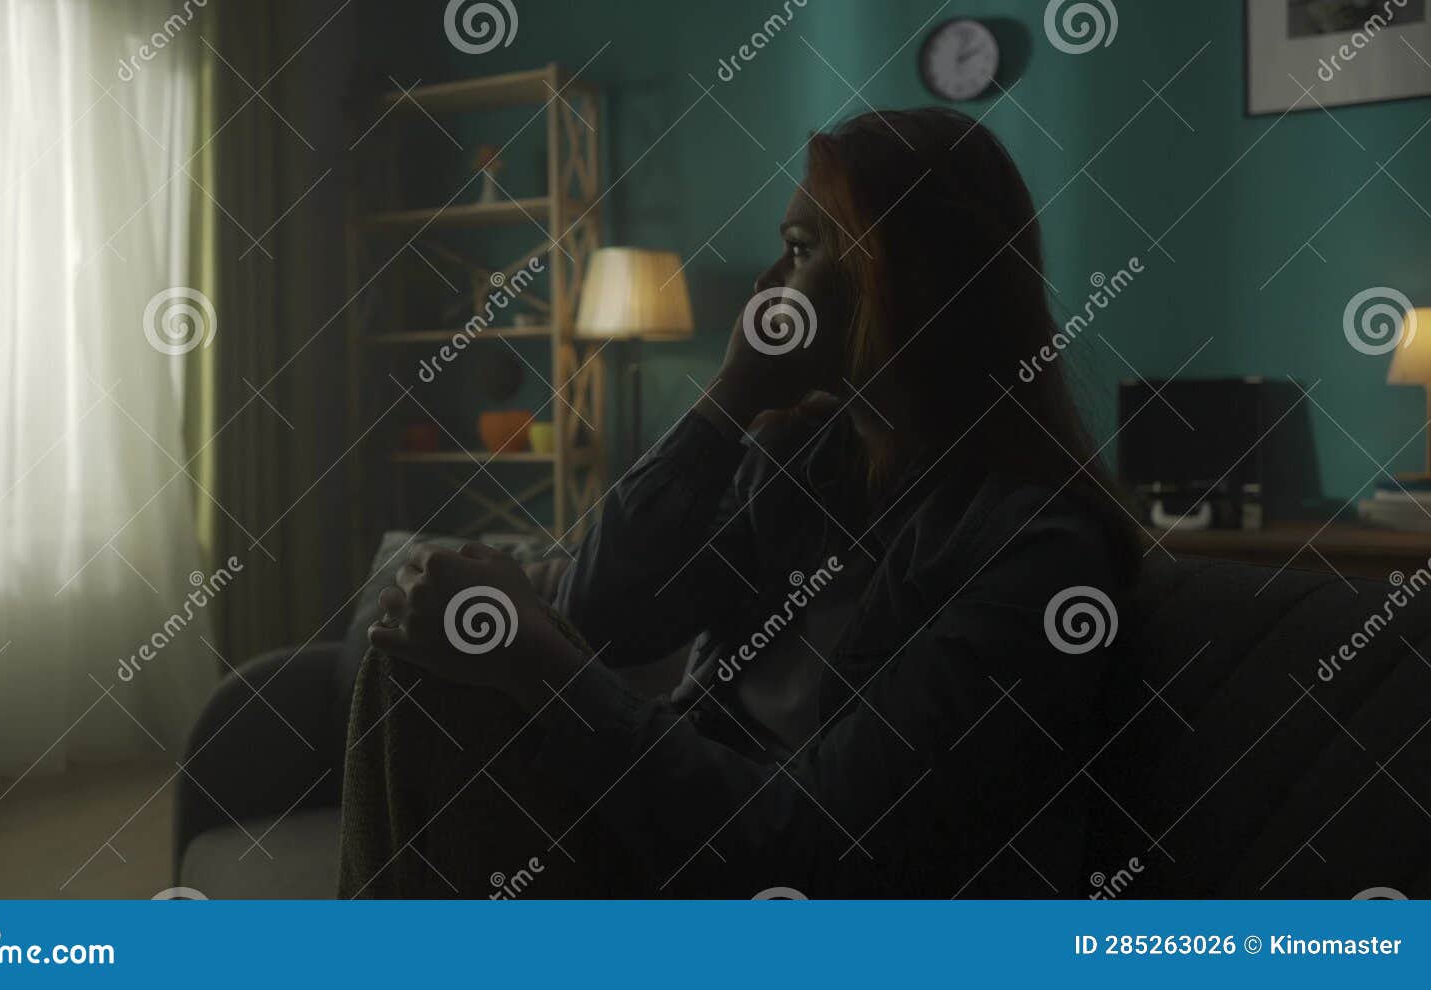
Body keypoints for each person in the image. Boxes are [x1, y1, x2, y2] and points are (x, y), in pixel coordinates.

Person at [340, 107, 1141, 899]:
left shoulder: (1035, 552)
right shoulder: (800, 463)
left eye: (799, 251)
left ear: (906, 275)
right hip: (675, 847)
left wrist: (538, 663)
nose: (765, 288)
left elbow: (816, 851)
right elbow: (603, 613)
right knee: (425, 645)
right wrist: (728, 400)